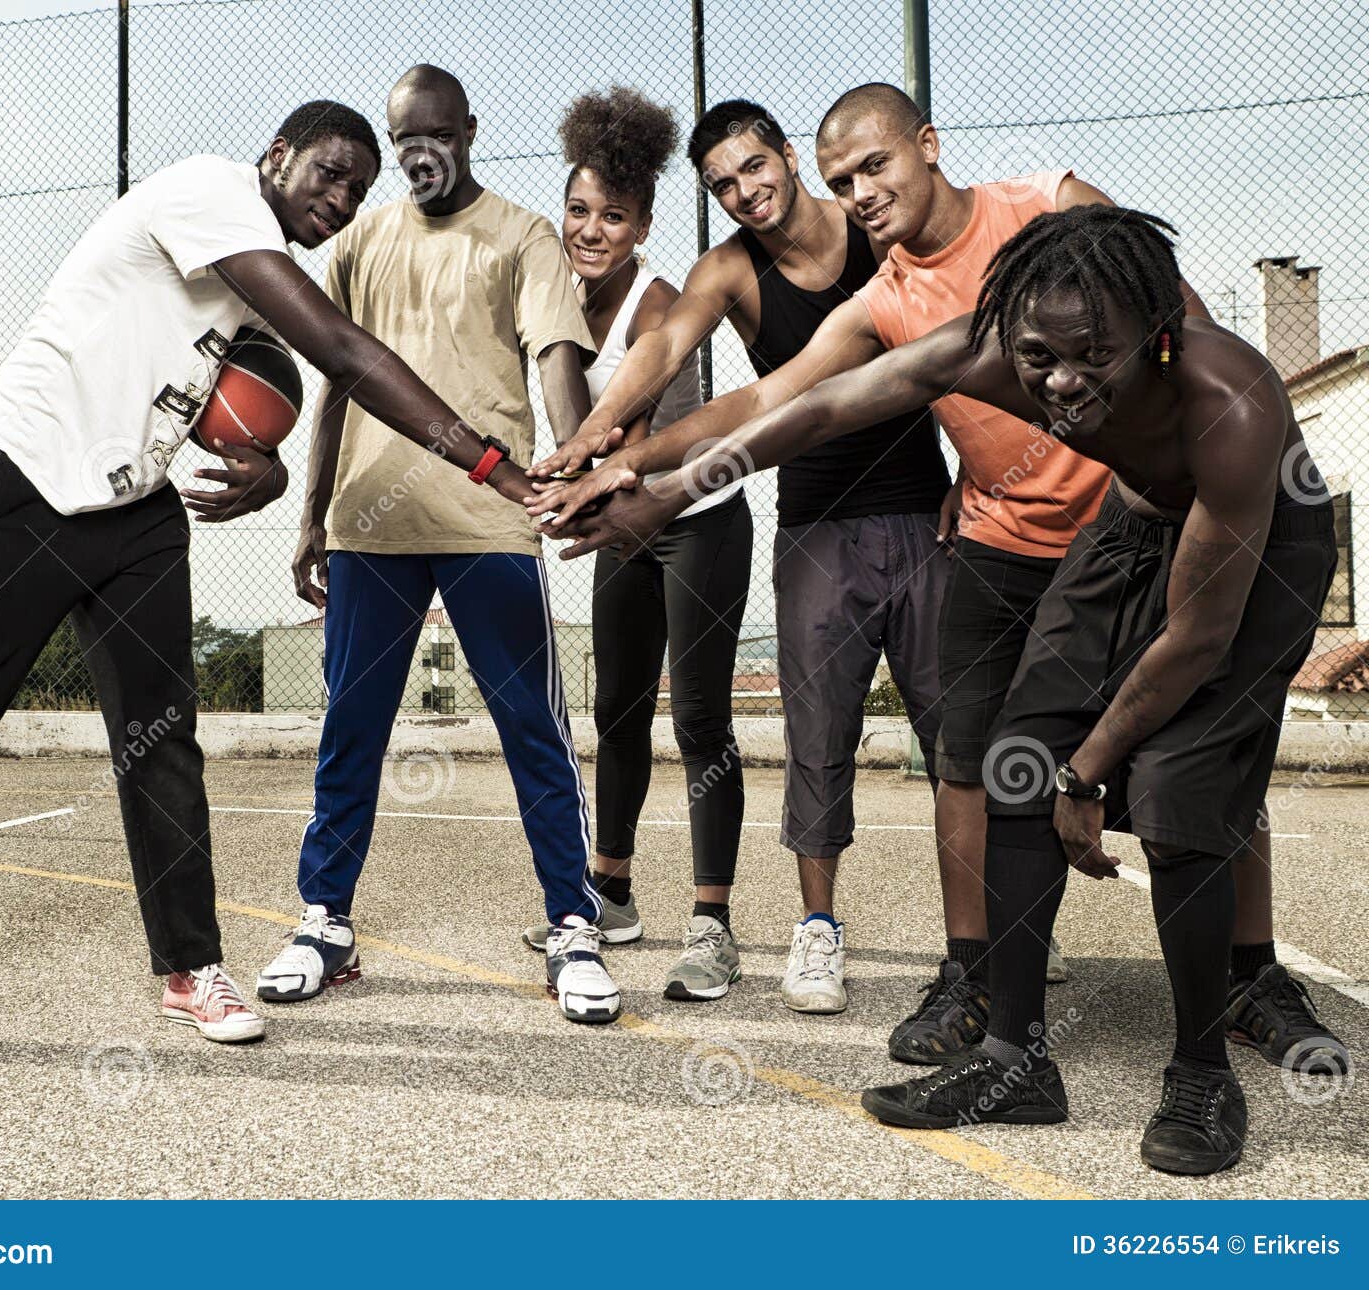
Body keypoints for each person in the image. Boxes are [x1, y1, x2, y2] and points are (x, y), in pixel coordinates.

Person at [536, 84, 1344, 1075]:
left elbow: (1178, 328)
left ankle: (1246, 974)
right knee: (975, 757)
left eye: (873, 167)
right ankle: (981, 981)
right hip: (1004, 535)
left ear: (926, 145)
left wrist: (1194, 476)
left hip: (1135, 518)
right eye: (844, 181)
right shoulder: (893, 302)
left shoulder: (1046, 205)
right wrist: (643, 470)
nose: (861, 192)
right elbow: (794, 399)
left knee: (1210, 740)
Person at [0, 101, 542, 1069]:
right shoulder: (209, 192)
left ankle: (190, 967)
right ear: (276, 158)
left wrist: (264, 466)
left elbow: (227, 391)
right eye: (329, 173)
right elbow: (346, 355)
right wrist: (498, 469)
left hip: (133, 507)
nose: (343, 198)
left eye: (360, 187)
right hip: (20, 483)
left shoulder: (248, 272)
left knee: (160, 740)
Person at [532, 99, 950, 1016]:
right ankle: (814, 931)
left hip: (923, 511)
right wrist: (602, 436)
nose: (744, 191)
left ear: (789, 157)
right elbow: (669, 345)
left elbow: (941, 344)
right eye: (722, 183)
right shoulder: (727, 269)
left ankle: (990, 942)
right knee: (814, 743)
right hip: (813, 518)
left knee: (957, 744)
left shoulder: (874, 229)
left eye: (754, 168)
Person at [259, 66, 621, 1024]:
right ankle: (325, 923)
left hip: (488, 521)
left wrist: (575, 462)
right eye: (403, 138)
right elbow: (337, 378)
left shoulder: (521, 235)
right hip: (370, 524)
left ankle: (573, 928)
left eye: (435, 134)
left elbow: (556, 363)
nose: (420, 152)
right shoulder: (362, 237)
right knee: (351, 733)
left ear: (468, 128)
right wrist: (312, 514)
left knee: (532, 732)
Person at [515, 88, 752, 1001]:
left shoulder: (659, 306)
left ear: (643, 224)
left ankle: (713, 922)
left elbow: (628, 434)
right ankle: (609, 891)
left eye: (613, 216)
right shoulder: (559, 304)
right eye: (578, 210)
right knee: (616, 712)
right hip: (623, 532)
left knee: (697, 719)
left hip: (697, 523)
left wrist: (569, 486)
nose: (591, 229)